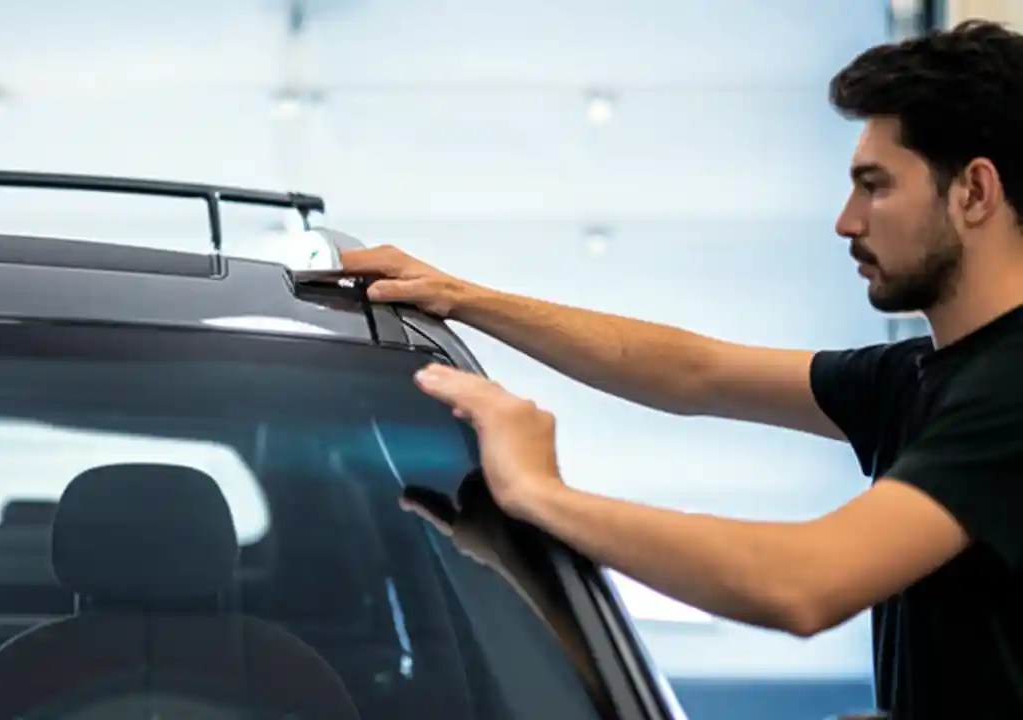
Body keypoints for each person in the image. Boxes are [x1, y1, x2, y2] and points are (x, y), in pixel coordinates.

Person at [340, 20, 1023, 720]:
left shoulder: (1010, 392)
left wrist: (541, 496)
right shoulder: (919, 376)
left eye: (873, 187)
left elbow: (804, 584)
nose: (846, 222)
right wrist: (463, 297)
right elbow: (695, 371)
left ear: (973, 192)